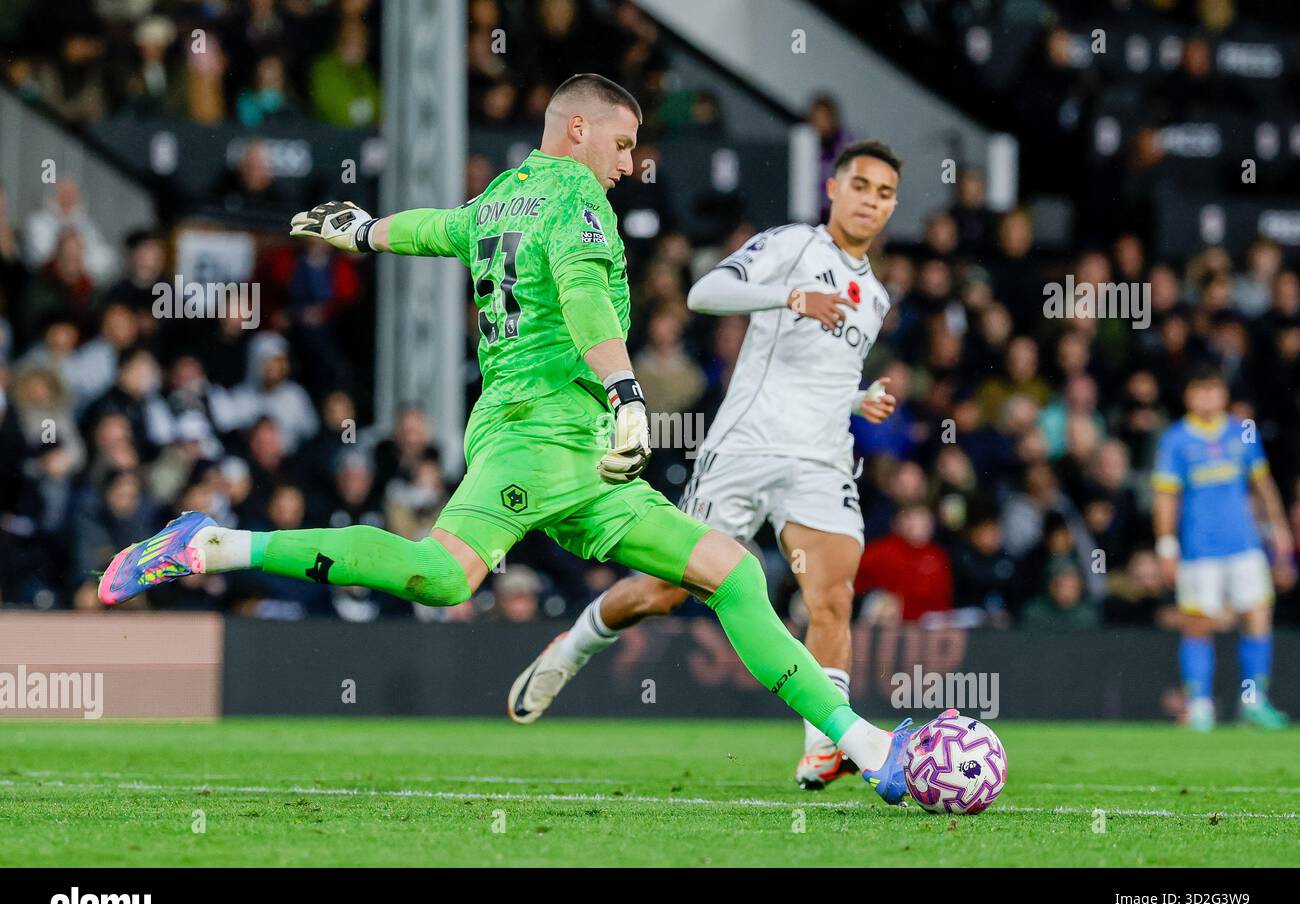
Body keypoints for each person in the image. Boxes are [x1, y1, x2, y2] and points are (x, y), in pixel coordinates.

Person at [96, 74, 927, 804]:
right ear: (577, 129)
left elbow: (439, 229)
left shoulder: (501, 195)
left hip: (572, 449)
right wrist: (626, 387)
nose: (629, 161)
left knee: (732, 573)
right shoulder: (577, 198)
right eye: (623, 142)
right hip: (542, 440)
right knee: (440, 576)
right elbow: (581, 294)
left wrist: (366, 229)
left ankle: (863, 746)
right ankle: (214, 544)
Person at [510, 139, 903, 791]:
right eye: (860, 185)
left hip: (822, 458)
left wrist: (863, 397)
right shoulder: (790, 246)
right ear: (833, 190)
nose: (871, 201)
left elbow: (827, 375)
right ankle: (572, 645)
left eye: (885, 193)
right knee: (668, 590)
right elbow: (705, 292)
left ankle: (824, 744)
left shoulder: (878, 297)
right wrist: (790, 298)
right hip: (744, 449)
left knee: (832, 596)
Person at [1152, 366, 1294, 731]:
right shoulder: (1176, 439)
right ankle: (1199, 706)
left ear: (1223, 394)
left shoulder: (1242, 432)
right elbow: (1166, 497)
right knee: (1198, 625)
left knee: (1258, 616)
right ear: (1189, 396)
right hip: (1199, 549)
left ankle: (1253, 701)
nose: (1207, 398)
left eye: (1214, 390)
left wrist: (1278, 529)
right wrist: (1166, 546)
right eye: (1200, 391)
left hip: (1244, 544)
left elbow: (1262, 485)